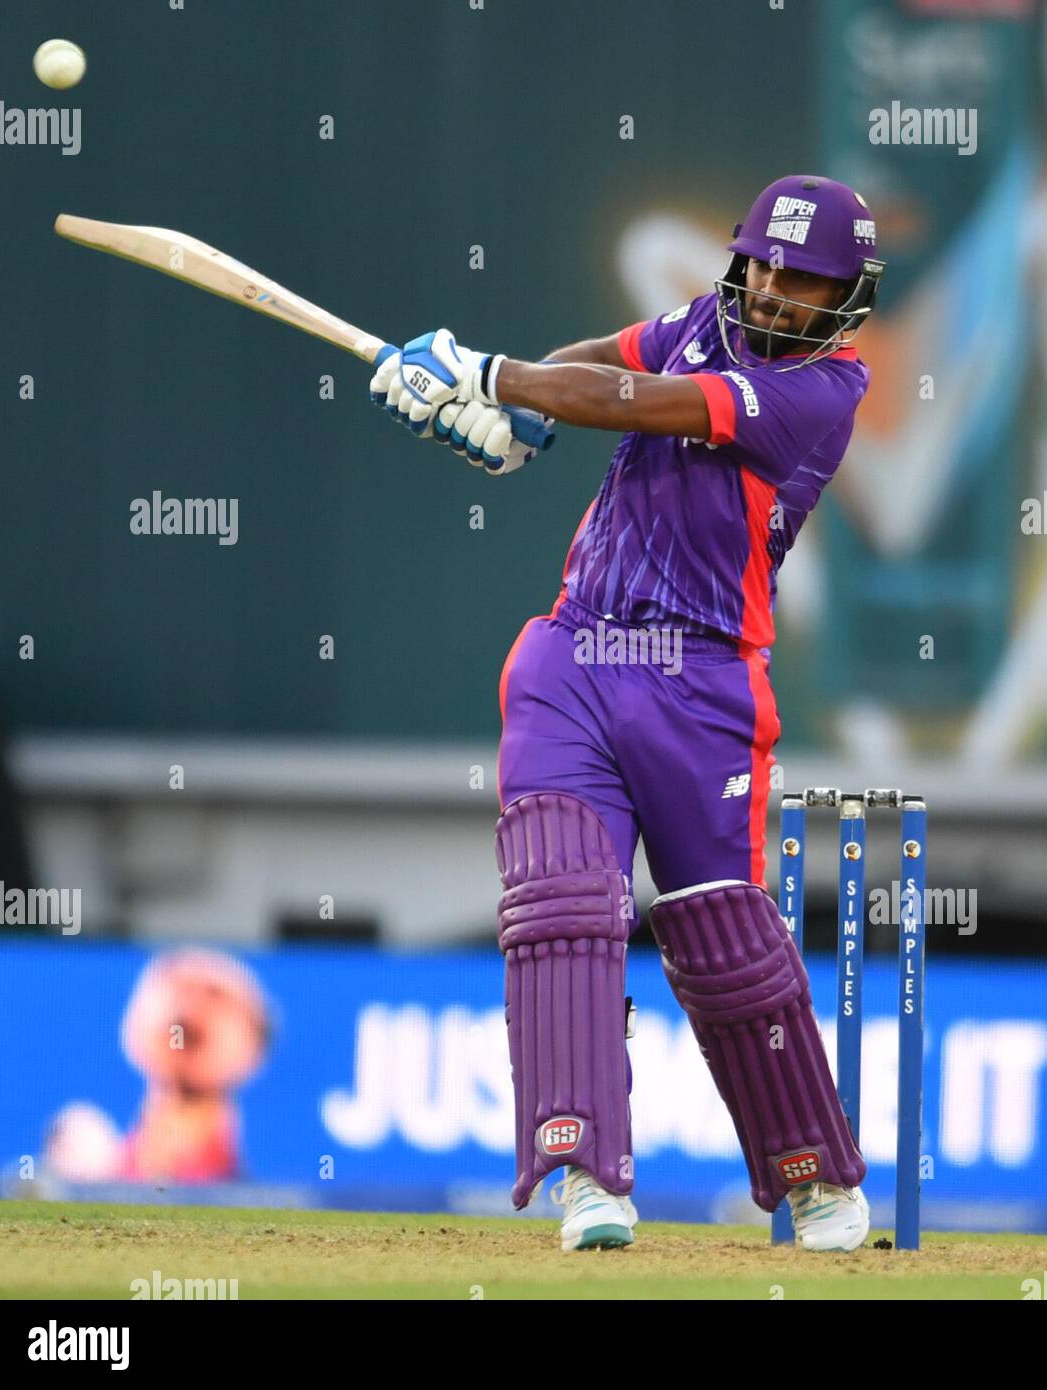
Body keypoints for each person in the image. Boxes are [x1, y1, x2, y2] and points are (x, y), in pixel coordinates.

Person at [371, 175, 883, 1253]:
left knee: (720, 942)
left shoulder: (821, 393)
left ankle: (815, 1178)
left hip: (703, 682)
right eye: (769, 270)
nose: (781, 296)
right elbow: (605, 364)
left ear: (847, 298)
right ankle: (584, 1176)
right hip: (577, 648)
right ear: (742, 261)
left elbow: (637, 405)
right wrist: (509, 415)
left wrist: (485, 371)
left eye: (810, 282)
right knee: (559, 902)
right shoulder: (702, 322)